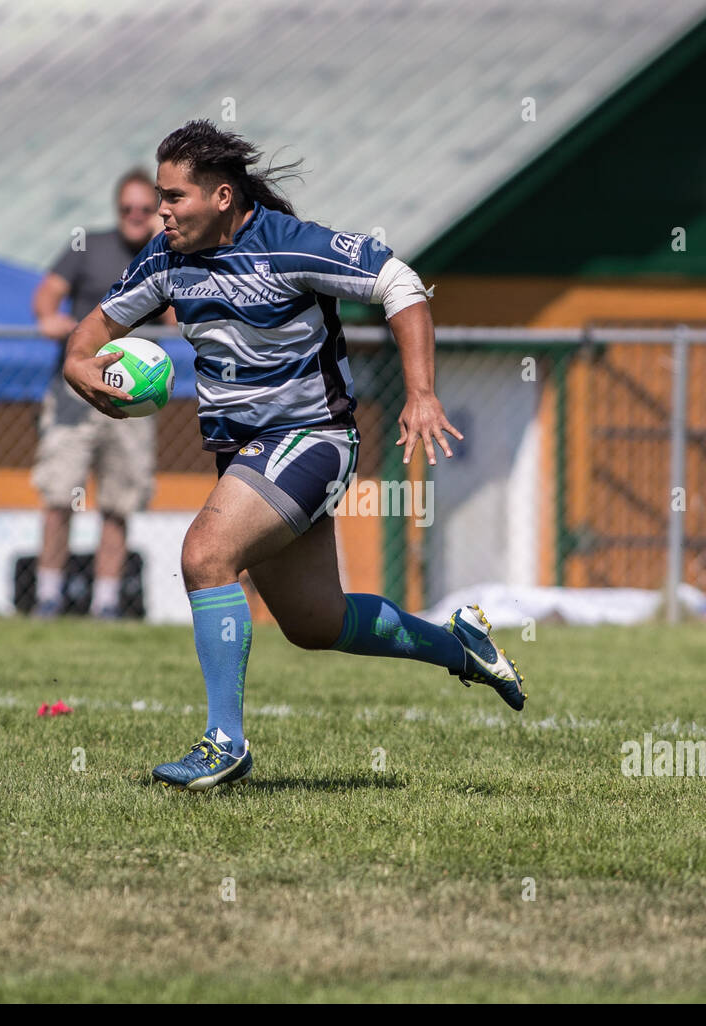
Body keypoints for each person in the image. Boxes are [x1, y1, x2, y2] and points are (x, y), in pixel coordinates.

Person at [62, 120, 527, 789]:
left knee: (204, 556)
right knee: (315, 623)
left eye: (174, 197)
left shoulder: (290, 246)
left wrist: (421, 392)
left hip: (313, 440)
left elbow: (403, 285)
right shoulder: (167, 260)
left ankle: (224, 743)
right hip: (245, 454)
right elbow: (90, 335)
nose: (162, 211)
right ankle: (462, 647)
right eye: (159, 198)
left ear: (222, 197)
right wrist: (84, 372)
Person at [30, 168, 171, 619]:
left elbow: (174, 323)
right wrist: (68, 333)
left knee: (118, 501)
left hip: (134, 401)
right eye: (127, 208)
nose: (135, 215)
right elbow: (45, 304)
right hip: (74, 393)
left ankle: (106, 603)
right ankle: (47, 597)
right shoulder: (87, 246)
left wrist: (159, 241)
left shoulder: (167, 254)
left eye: (146, 209)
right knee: (59, 494)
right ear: (117, 209)